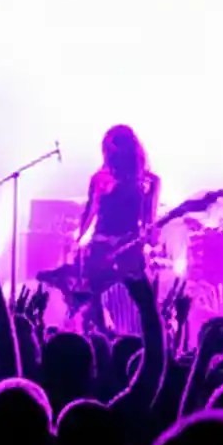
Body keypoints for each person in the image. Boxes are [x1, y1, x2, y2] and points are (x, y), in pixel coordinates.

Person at [74, 125, 161, 332]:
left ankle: (146, 341)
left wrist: (150, 236)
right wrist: (76, 243)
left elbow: (149, 220)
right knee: (91, 303)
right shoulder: (100, 179)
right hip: (102, 246)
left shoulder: (149, 181)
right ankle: (101, 341)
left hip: (128, 246)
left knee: (146, 306)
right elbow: (90, 212)